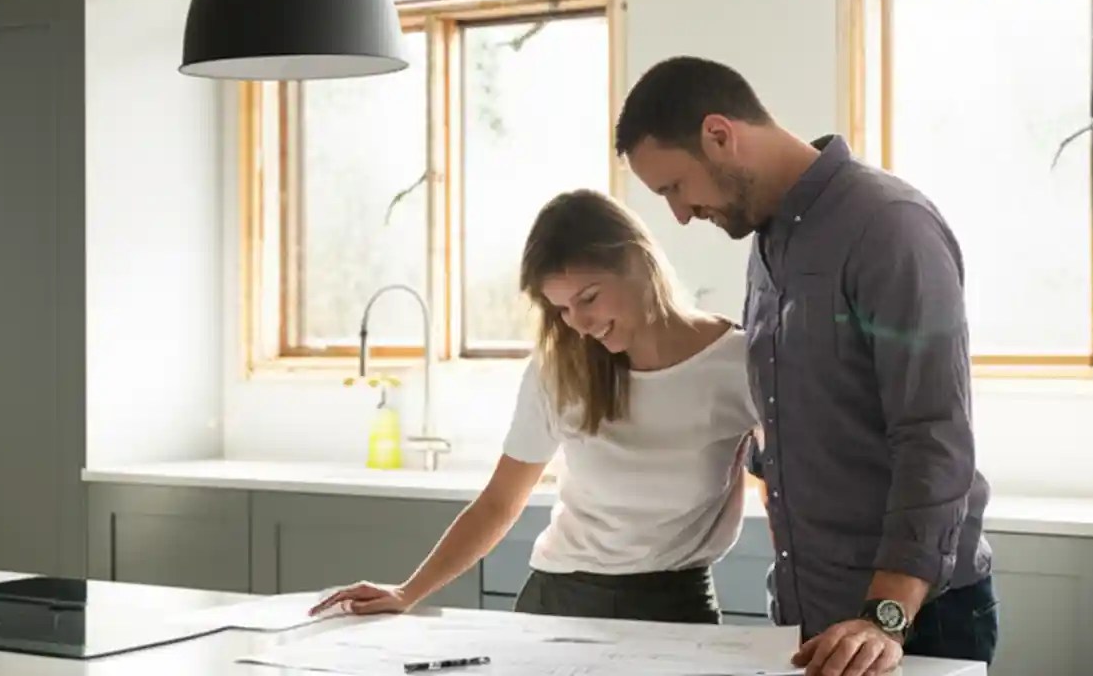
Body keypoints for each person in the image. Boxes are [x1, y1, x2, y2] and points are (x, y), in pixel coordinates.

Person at [614, 56, 997, 676]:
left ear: (719, 134)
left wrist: (885, 621)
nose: (679, 215)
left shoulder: (889, 226)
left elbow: (935, 437)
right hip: (811, 620)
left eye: (674, 188)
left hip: (911, 625)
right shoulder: (766, 245)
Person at [310, 189, 759, 625]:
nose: (579, 324)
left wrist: (820, 619)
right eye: (562, 308)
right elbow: (499, 502)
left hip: (676, 608)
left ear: (639, 263)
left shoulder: (739, 362)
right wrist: (408, 592)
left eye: (588, 298)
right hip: (557, 603)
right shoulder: (560, 368)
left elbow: (788, 501)